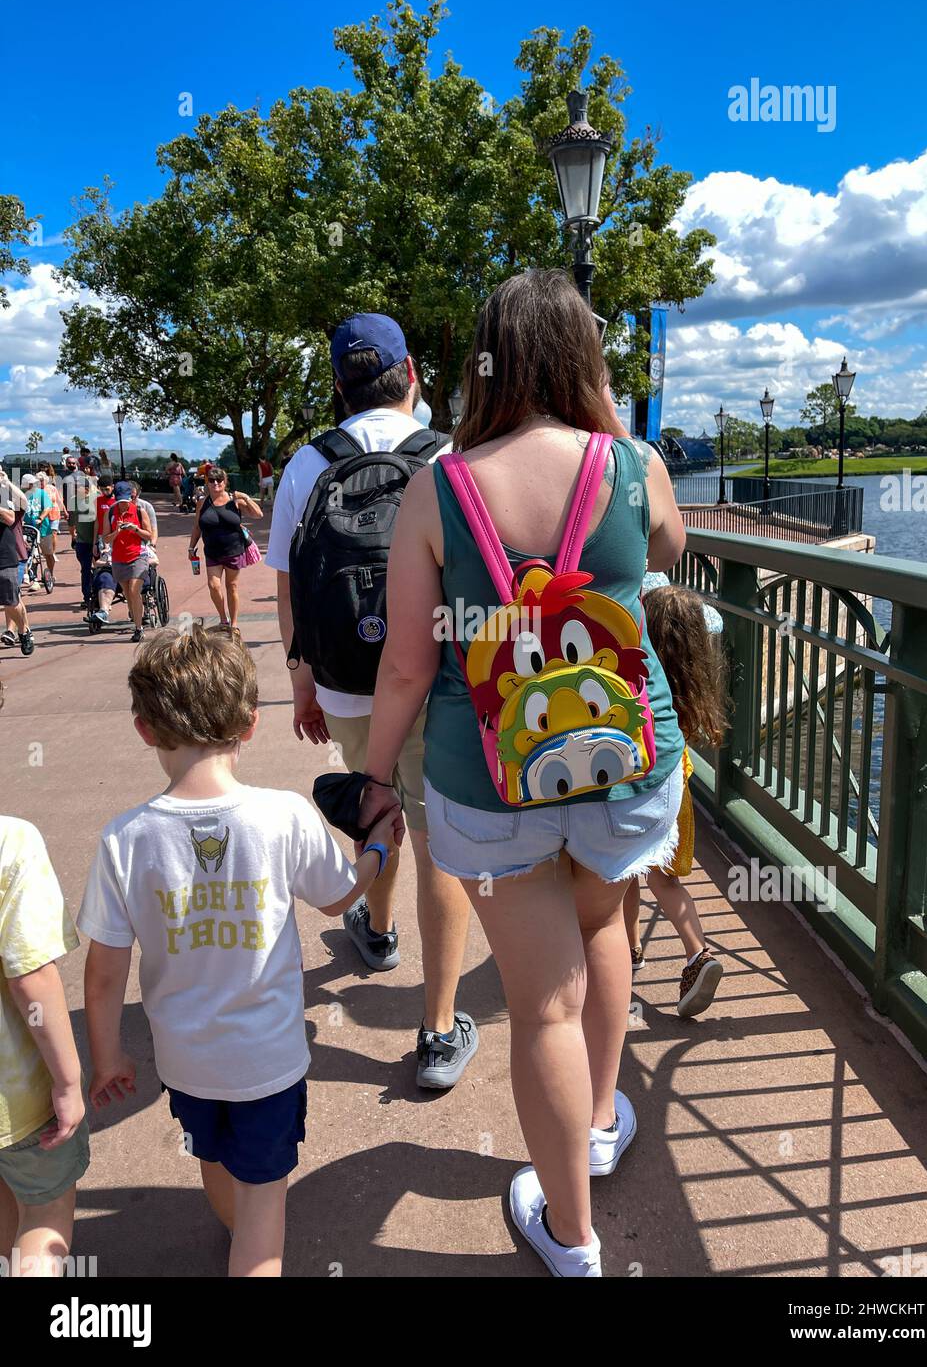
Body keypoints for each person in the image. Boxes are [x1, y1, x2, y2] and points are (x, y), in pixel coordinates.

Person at [359, 269, 687, 1276]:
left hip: (488, 773)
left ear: (484, 365)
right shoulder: (636, 462)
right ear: (584, 357)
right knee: (605, 924)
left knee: (539, 999)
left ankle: (574, 1239)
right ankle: (598, 1120)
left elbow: (412, 660)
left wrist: (376, 777)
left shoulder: (439, 486)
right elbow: (673, 552)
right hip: (626, 757)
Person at [79, 625, 400, 1278]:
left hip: (184, 1061)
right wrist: (375, 852)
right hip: (267, 1061)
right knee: (264, 1224)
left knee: (213, 1157)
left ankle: (235, 1229)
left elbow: (105, 971)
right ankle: (250, 1245)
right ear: (250, 724)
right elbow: (339, 899)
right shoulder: (282, 816)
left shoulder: (125, 839)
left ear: (145, 729)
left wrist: (108, 1056)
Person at [266, 312, 477, 1091]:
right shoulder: (449, 458)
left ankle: (378, 932)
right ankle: (435, 1030)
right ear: (412, 372)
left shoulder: (303, 465)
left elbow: (287, 585)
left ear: (335, 386)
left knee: (374, 801)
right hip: (443, 678)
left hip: (347, 681)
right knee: (439, 838)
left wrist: (299, 679)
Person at [0, 681, 90, 1276]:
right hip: (19, 1102)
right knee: (44, 1217)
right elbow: (31, 975)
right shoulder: (11, 842)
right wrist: (68, 1080)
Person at [622, 581, 728, 1017]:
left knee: (621, 872)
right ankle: (696, 951)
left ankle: (627, 952)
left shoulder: (635, 676)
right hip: (676, 786)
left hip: (633, 790)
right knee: (665, 880)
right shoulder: (687, 685)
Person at [189, 469, 262, 631]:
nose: (216, 483)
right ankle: (223, 619)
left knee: (232, 586)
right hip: (212, 552)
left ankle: (234, 624)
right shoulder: (202, 503)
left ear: (225, 482)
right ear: (207, 482)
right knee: (213, 586)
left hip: (234, 551)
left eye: (219, 480)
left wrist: (246, 498)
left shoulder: (233, 501)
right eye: (212, 480)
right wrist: (191, 546)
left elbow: (258, 514)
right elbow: (196, 527)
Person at [100, 480, 152, 643]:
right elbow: (106, 539)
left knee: (134, 589)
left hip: (137, 555)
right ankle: (136, 616)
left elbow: (148, 534)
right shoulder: (110, 512)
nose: (123, 505)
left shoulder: (139, 510)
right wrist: (117, 531)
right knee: (128, 594)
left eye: (125, 501)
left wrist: (135, 529)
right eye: (120, 501)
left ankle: (138, 628)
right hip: (119, 557)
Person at [0, 476, 33, 656]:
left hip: (5, 555)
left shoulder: (4, 492)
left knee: (11, 601)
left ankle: (23, 630)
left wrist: (5, 482)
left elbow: (11, 517)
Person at [66, 468, 99, 611]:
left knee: (100, 568)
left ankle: (100, 593)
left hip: (97, 540)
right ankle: (87, 597)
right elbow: (71, 521)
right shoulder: (73, 500)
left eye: (77, 488)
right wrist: (72, 535)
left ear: (86, 489)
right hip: (82, 541)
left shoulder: (96, 498)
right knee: (85, 569)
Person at [22, 474, 56, 588]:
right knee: (32, 554)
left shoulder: (41, 493)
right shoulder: (21, 495)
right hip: (28, 529)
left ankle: (50, 574)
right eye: (30, 483)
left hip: (43, 528)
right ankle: (34, 579)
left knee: (48, 554)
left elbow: (47, 508)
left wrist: (40, 518)